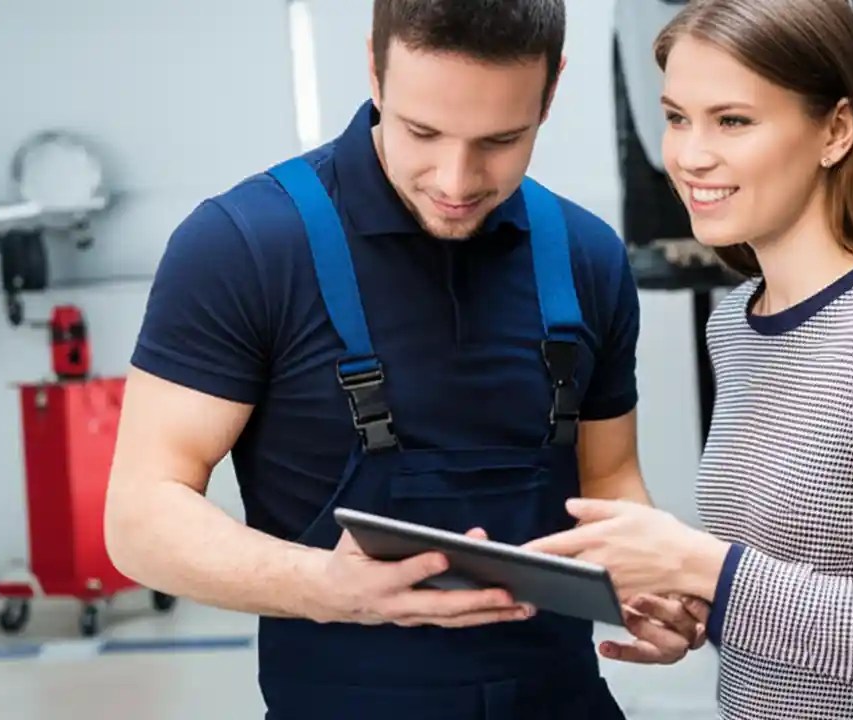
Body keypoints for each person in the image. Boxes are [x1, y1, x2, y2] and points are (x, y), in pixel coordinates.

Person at [103, 1, 692, 718]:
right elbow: (140, 516)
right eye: (423, 132)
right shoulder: (244, 246)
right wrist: (326, 585)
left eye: (502, 139)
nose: (457, 179)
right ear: (375, 71)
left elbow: (609, 479)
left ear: (551, 89)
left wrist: (652, 583)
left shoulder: (585, 254)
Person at [526, 0, 853, 718]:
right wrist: (694, 612)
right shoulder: (737, 325)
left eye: (733, 121)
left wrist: (708, 569)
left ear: (835, 131)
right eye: (678, 117)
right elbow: (787, 597)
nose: (689, 154)